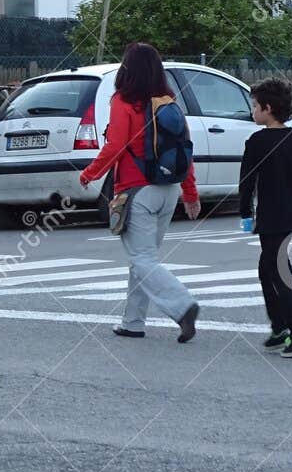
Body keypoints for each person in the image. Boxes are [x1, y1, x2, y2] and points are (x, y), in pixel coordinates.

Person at [78, 42, 202, 343]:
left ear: (127, 68)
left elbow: (116, 144)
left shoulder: (124, 101)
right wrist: (190, 193)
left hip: (137, 190)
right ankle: (133, 322)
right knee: (142, 258)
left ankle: (182, 305)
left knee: (141, 258)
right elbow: (185, 150)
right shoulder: (167, 100)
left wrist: (90, 173)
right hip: (168, 190)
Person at [238, 77, 292, 358]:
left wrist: (245, 213)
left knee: (279, 272)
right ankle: (280, 325)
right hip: (290, 214)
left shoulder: (257, 141)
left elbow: (246, 181)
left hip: (269, 215)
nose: (252, 111)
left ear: (267, 108)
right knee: (267, 268)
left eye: (255, 106)